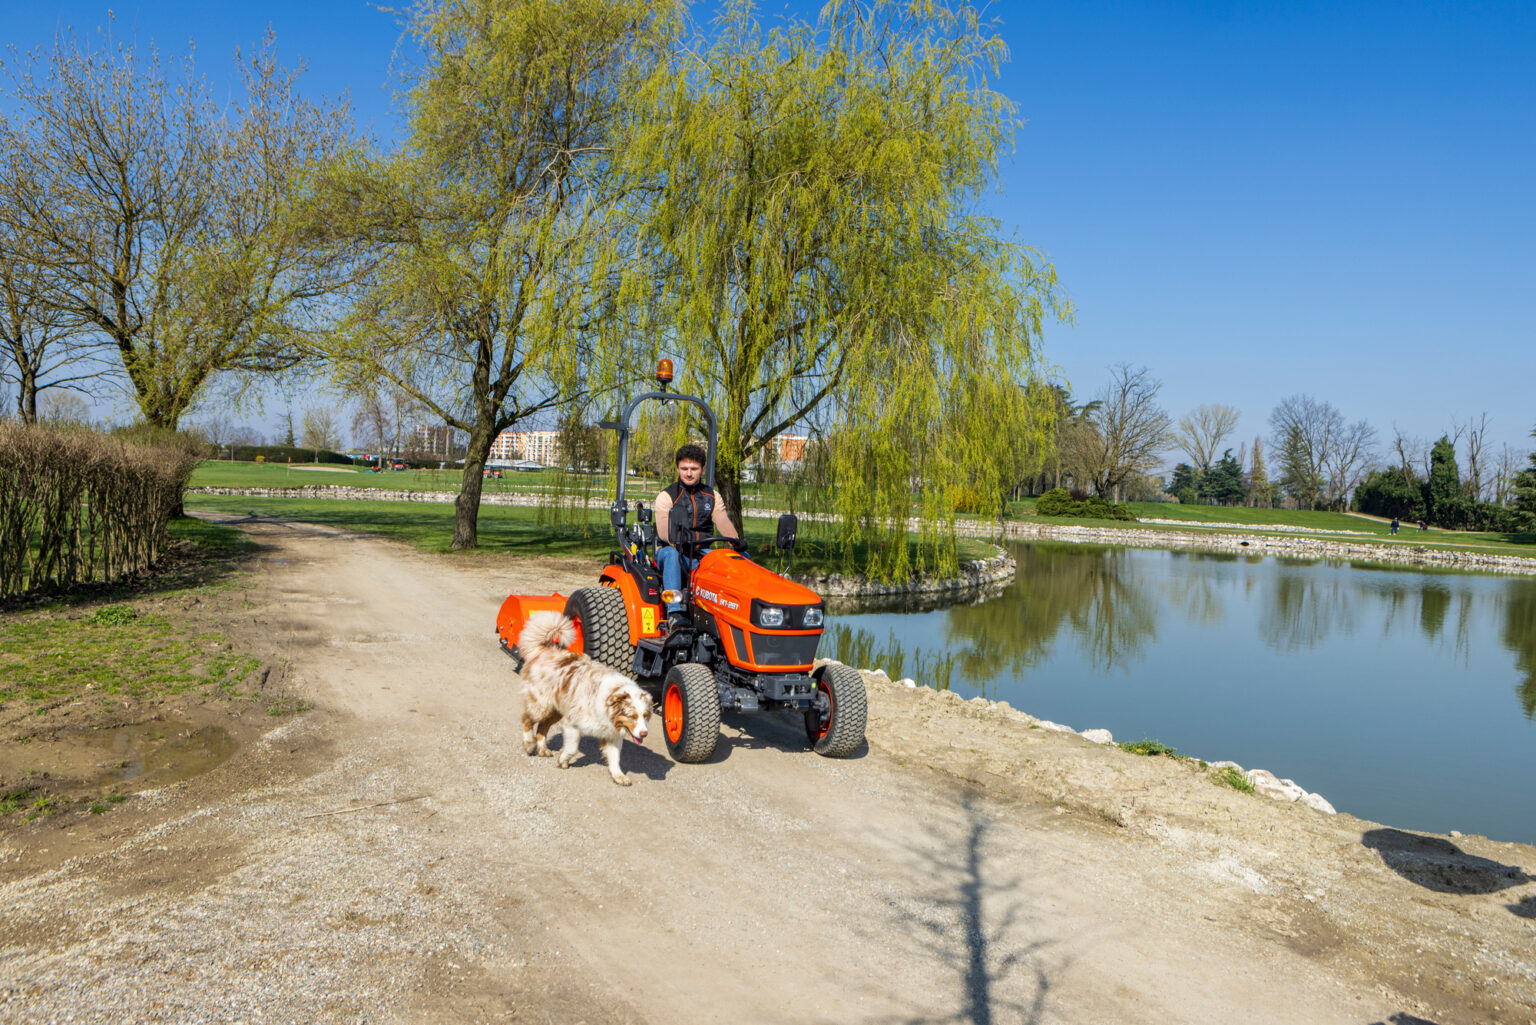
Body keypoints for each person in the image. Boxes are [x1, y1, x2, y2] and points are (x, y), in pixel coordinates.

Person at [654, 444, 738, 630]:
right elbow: (663, 532)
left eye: (694, 469)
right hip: (673, 551)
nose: (689, 473)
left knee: (735, 560)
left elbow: (722, 521)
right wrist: (678, 541)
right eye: (684, 469)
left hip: (700, 551)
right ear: (677, 469)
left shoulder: (711, 496)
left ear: (702, 469)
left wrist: (735, 540)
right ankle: (675, 613)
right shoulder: (667, 496)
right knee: (670, 554)